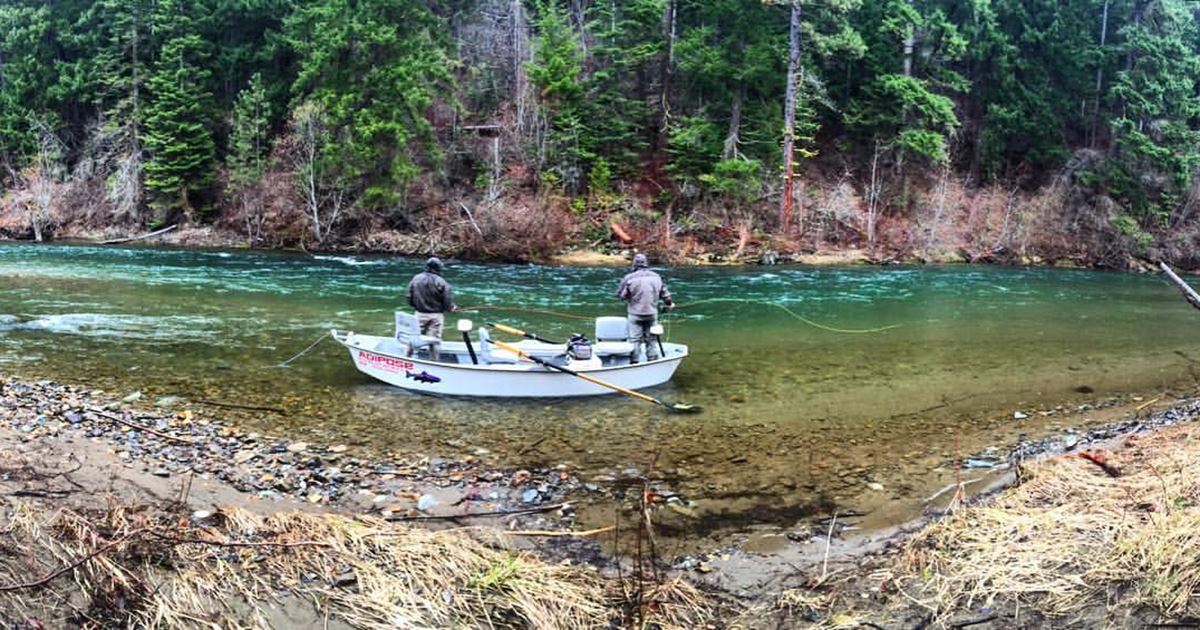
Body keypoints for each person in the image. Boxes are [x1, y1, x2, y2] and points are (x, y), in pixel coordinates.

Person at [616, 253, 674, 362]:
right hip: (651, 313)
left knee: (635, 339)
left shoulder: (629, 278)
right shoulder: (656, 277)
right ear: (646, 263)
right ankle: (652, 360)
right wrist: (669, 304)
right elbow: (666, 295)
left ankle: (634, 362)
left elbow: (621, 296)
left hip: (635, 314)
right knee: (651, 339)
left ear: (634, 264)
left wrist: (630, 295)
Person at [406, 257, 457, 349]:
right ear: (438, 268)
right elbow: (447, 299)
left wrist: (416, 306)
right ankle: (434, 358)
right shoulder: (441, 282)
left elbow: (409, 296)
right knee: (434, 341)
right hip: (436, 316)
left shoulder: (416, 278)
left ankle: (407, 356)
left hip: (419, 314)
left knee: (413, 339)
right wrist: (450, 308)